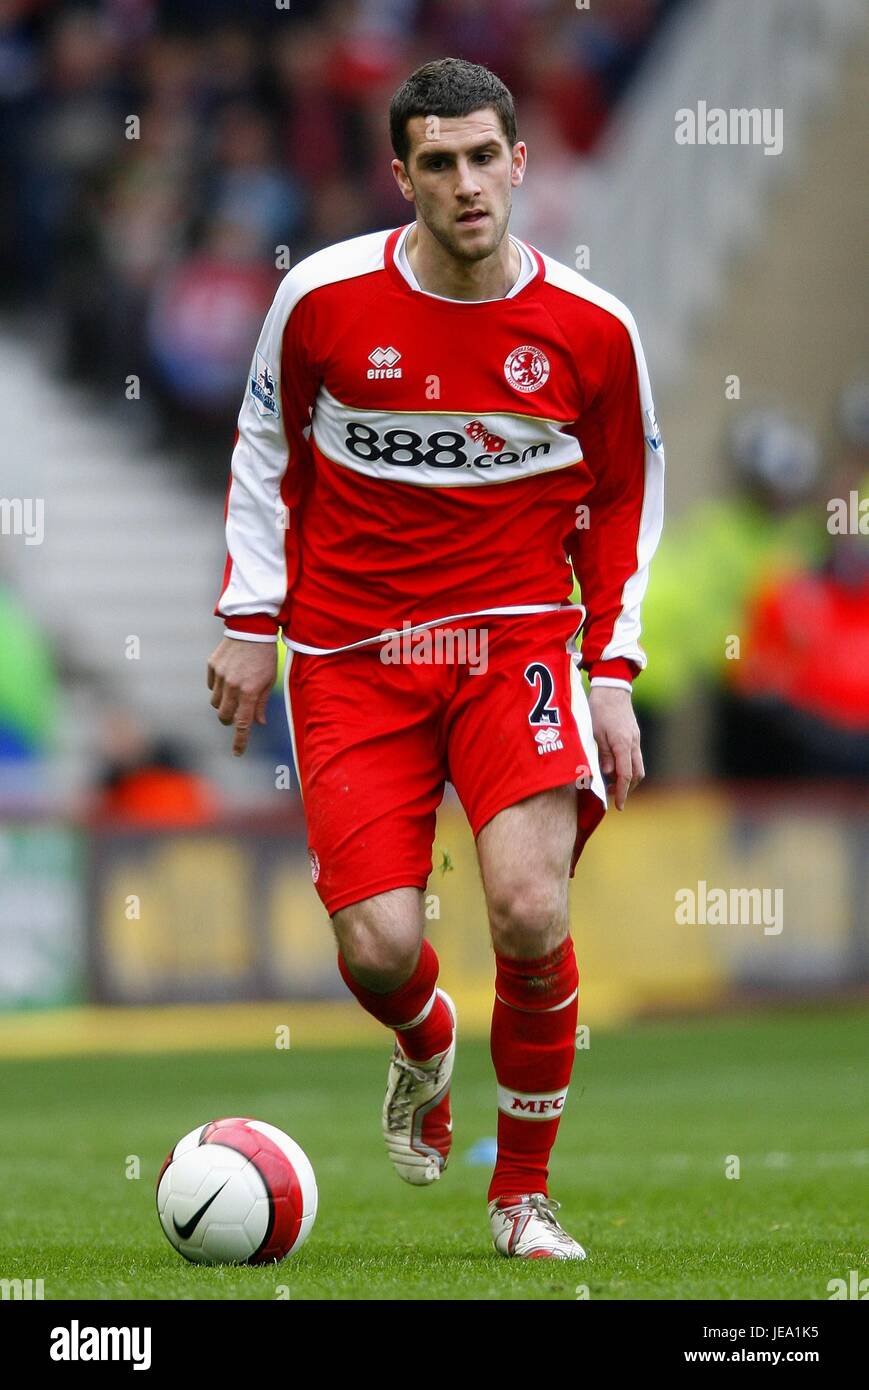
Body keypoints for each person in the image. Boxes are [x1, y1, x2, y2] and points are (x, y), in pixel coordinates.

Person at [206, 58, 664, 1260]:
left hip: (513, 642)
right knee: (380, 945)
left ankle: (520, 1194)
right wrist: (251, 620)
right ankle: (423, 1039)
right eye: (439, 163)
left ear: (520, 161)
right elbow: (263, 447)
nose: (467, 184)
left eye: (484, 158)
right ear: (398, 173)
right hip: (355, 650)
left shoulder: (590, 330)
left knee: (525, 902)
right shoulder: (319, 299)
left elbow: (622, 500)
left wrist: (609, 667)